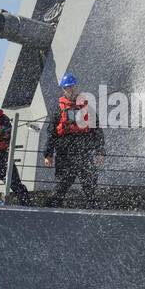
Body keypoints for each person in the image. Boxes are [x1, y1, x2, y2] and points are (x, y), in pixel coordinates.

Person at [42, 72, 105, 207]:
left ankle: (93, 208)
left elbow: (97, 130)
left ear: (76, 88)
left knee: (89, 182)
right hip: (64, 153)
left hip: (83, 151)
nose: (71, 90)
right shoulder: (58, 109)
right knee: (62, 183)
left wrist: (100, 151)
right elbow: (51, 132)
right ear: (64, 90)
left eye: (73, 87)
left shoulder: (87, 107)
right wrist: (48, 154)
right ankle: (52, 209)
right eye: (67, 88)